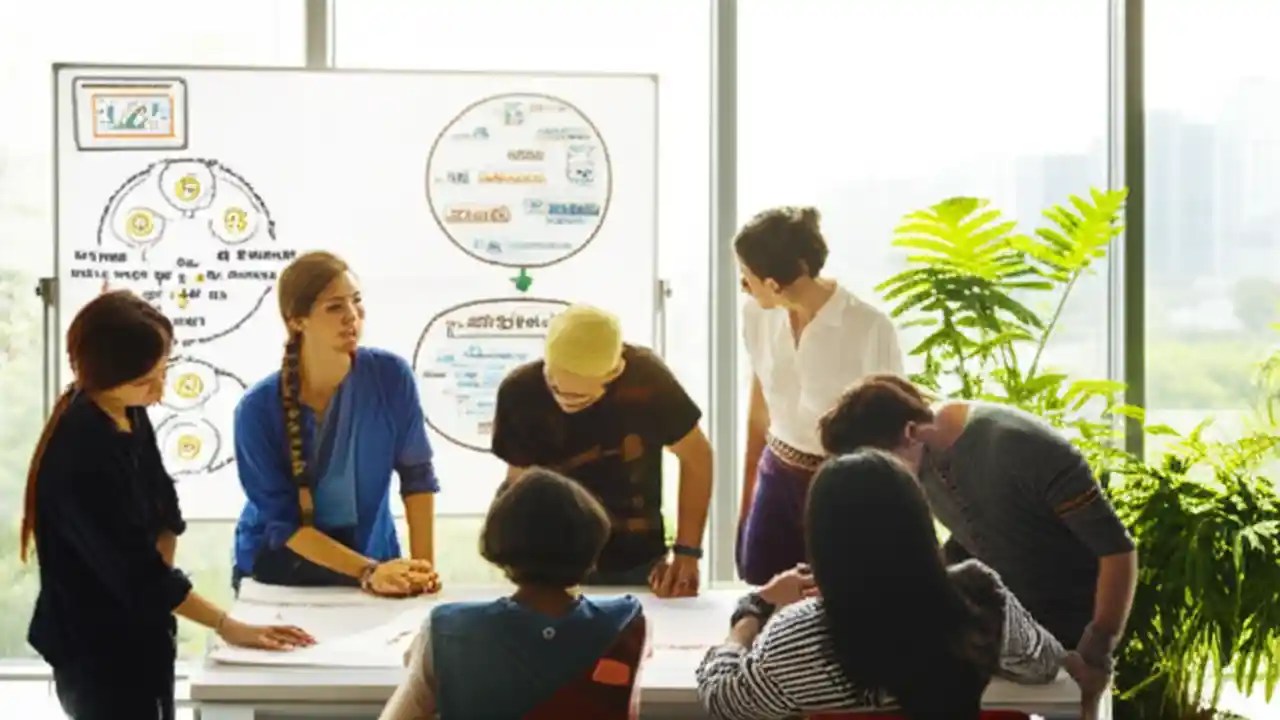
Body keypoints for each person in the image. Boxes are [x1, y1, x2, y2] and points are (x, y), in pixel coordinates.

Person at [21, 290, 314, 720]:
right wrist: (227, 625)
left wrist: (160, 590)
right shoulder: (81, 451)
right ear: (104, 375)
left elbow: (164, 506)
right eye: (145, 381)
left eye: (163, 372)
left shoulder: (127, 411)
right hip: (96, 649)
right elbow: (135, 573)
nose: (159, 392)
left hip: (144, 630)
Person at [696, 450, 1106, 720]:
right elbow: (1042, 665)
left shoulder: (798, 634)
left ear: (822, 541)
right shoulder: (979, 596)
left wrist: (751, 611)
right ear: (920, 524)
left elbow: (723, 699)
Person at [818, 373, 1137, 688]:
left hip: (1073, 631)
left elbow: (1116, 551)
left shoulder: (1020, 446)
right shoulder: (921, 461)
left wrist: (1098, 646)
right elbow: (973, 536)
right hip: (1008, 637)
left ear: (910, 432)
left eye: (881, 463)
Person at [233, 251, 441, 596]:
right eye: (334, 307)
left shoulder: (390, 377)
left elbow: (417, 476)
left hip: (375, 560)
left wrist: (423, 571)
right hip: (283, 573)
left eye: (356, 301)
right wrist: (368, 571)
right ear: (296, 321)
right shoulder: (256, 410)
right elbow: (283, 524)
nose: (352, 316)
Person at [380, 467, 648, 720]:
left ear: (498, 540)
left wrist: (427, 653)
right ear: (593, 545)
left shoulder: (448, 632)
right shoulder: (627, 624)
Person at [490, 303, 712, 596]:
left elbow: (697, 456)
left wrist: (687, 551)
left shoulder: (647, 381)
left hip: (633, 557)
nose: (564, 399)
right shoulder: (520, 391)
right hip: (546, 562)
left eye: (580, 396)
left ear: (614, 372)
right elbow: (519, 481)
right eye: (555, 387)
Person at [734, 205, 904, 584]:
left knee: (838, 596)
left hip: (842, 488)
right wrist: (747, 500)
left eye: (746, 277)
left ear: (773, 284)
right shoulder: (757, 315)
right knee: (760, 587)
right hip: (776, 476)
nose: (743, 286)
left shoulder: (869, 327)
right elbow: (759, 408)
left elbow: (892, 434)